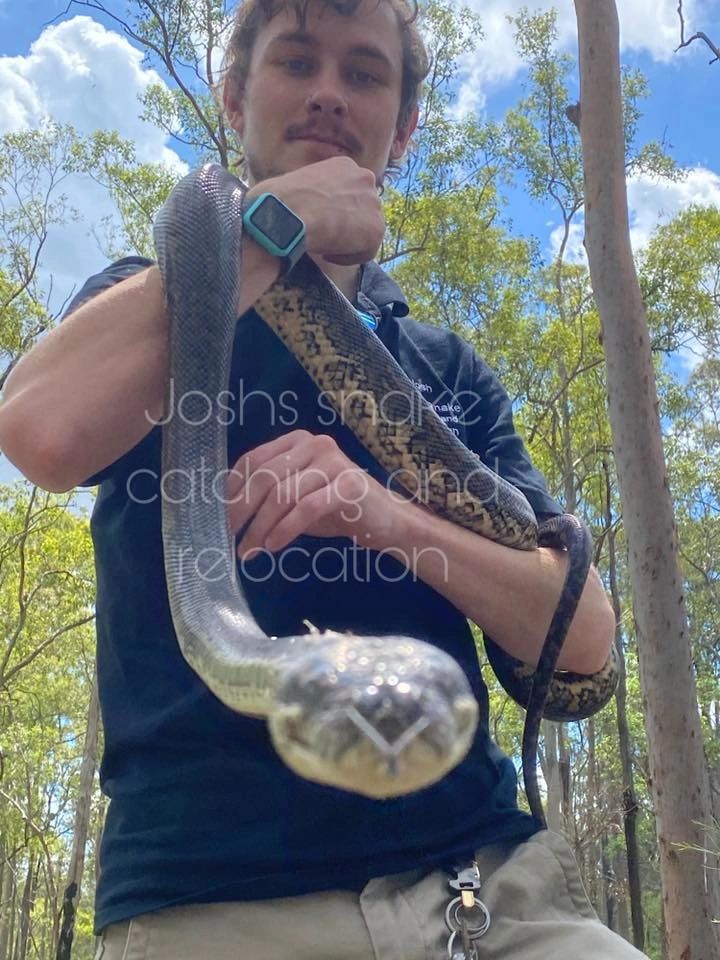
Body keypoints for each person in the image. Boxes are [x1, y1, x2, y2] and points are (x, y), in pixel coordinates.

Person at [0, 0, 647, 957]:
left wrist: (379, 511)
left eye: (366, 73)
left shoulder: (442, 370)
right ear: (232, 95)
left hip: (488, 888)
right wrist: (274, 224)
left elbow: (583, 647)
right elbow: (39, 432)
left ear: (404, 125)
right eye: (296, 61)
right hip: (214, 901)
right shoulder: (146, 303)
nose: (329, 94)